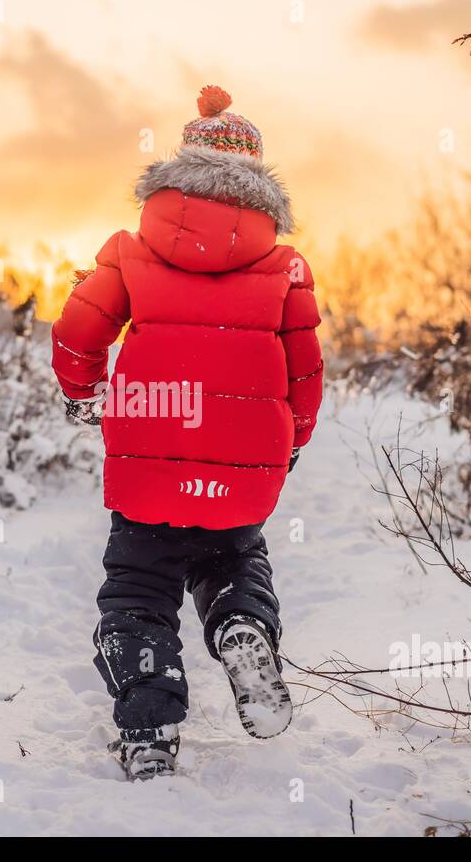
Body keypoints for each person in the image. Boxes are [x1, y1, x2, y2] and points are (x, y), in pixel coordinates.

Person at [50, 85, 323, 778]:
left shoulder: (127, 250)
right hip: (243, 464)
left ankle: (148, 730)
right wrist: (289, 443)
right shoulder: (287, 268)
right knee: (232, 558)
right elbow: (305, 372)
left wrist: (84, 395)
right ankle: (241, 625)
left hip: (147, 452)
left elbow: (78, 331)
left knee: (139, 588)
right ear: (259, 185)